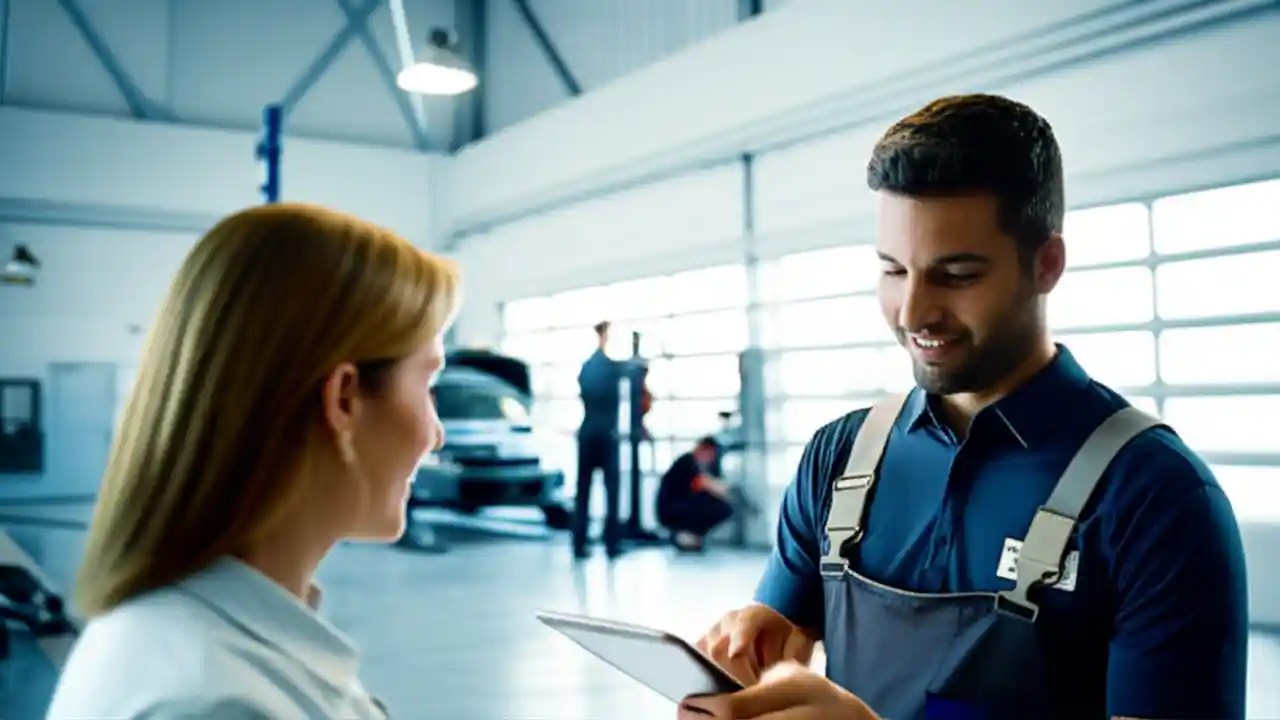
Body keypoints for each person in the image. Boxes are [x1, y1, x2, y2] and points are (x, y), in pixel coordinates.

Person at [683, 94, 1248, 720]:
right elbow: (777, 654)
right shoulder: (838, 459)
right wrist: (753, 666)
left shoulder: (1154, 500)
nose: (913, 312)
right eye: (894, 270)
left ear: (1046, 265)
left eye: (956, 274)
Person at [47, 203, 461, 719]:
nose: (436, 434)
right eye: (429, 383)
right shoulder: (214, 703)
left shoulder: (181, 631)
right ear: (345, 400)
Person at [572, 320, 628, 559]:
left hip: (587, 432)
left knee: (583, 490)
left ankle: (579, 543)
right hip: (606, 434)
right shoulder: (613, 368)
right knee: (611, 489)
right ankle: (611, 544)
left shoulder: (586, 367)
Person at [656, 437, 734, 552]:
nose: (711, 458)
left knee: (722, 507)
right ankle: (686, 533)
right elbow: (704, 483)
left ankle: (691, 534)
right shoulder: (686, 462)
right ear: (702, 449)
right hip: (672, 508)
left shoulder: (704, 465)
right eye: (710, 453)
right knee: (718, 506)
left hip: (682, 505)